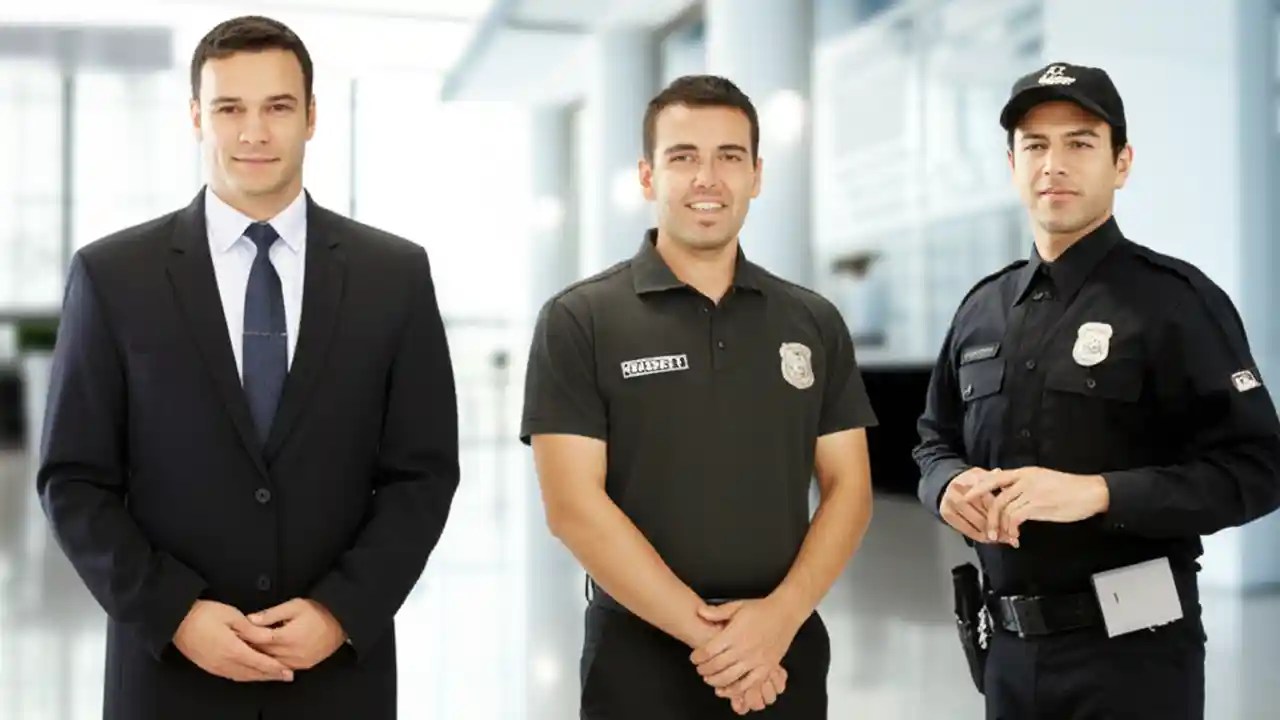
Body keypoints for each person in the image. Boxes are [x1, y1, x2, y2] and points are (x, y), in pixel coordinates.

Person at [37, 15, 459, 720]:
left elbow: (422, 474)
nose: (254, 133)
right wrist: (172, 612)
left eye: (278, 108)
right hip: (168, 676)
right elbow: (73, 479)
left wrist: (339, 611)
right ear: (197, 117)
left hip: (335, 678)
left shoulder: (396, 276)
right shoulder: (113, 276)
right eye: (230, 108)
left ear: (312, 117)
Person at [914, 61, 1280, 719]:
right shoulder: (981, 309)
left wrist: (1098, 493)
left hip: (1134, 654)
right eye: (1035, 145)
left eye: (1080, 143)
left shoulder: (1175, 303)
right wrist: (946, 486)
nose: (1054, 163)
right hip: (1008, 655)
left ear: (1122, 163)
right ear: (1012, 164)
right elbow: (933, 439)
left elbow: (1260, 468)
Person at [521, 74, 877, 719]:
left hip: (785, 644)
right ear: (648, 176)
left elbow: (849, 488)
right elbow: (573, 506)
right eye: (682, 157)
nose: (706, 178)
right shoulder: (581, 319)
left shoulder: (813, 321)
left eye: (729, 157)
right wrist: (718, 642)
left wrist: (778, 620)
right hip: (638, 657)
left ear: (756, 175)